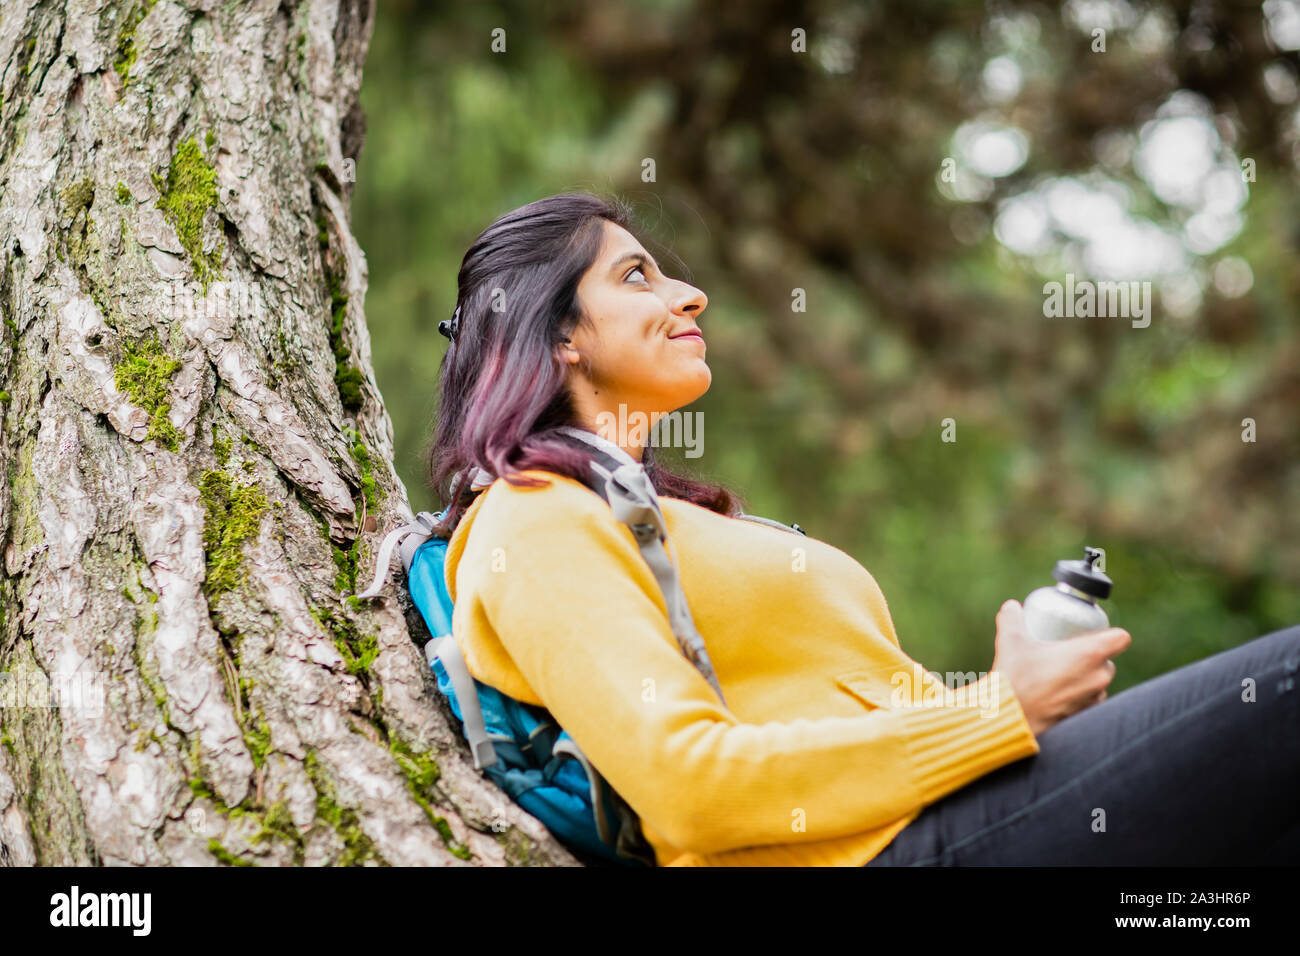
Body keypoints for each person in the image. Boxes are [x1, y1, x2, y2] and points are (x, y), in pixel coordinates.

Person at [426, 192, 1300, 866]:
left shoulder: (664, 512)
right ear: (560, 335)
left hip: (954, 813)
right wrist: (997, 715)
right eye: (635, 276)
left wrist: (999, 703)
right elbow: (687, 784)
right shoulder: (534, 516)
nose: (690, 294)